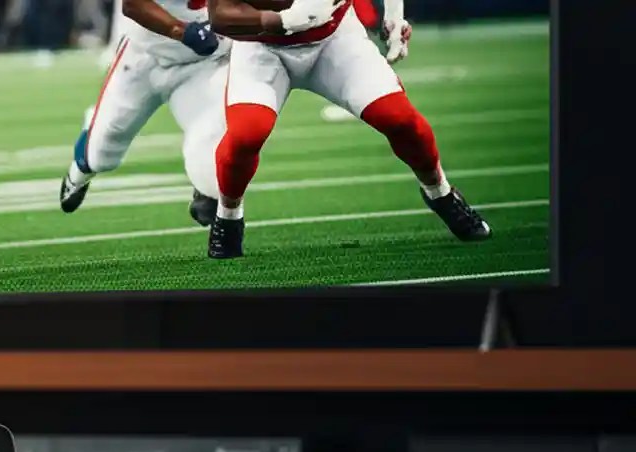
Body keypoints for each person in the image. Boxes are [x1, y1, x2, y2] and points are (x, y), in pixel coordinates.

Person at [206, 0, 491, 260]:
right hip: (261, 47)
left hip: (335, 38)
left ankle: (441, 194)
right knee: (246, 134)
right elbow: (219, 15)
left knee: (400, 119)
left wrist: (394, 18)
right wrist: (281, 21)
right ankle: (228, 216)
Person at [59, 0, 336, 224]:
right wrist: (182, 30)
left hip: (205, 64)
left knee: (212, 167)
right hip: (145, 59)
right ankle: (80, 169)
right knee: (102, 153)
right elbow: (133, 5)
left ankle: (206, 190)